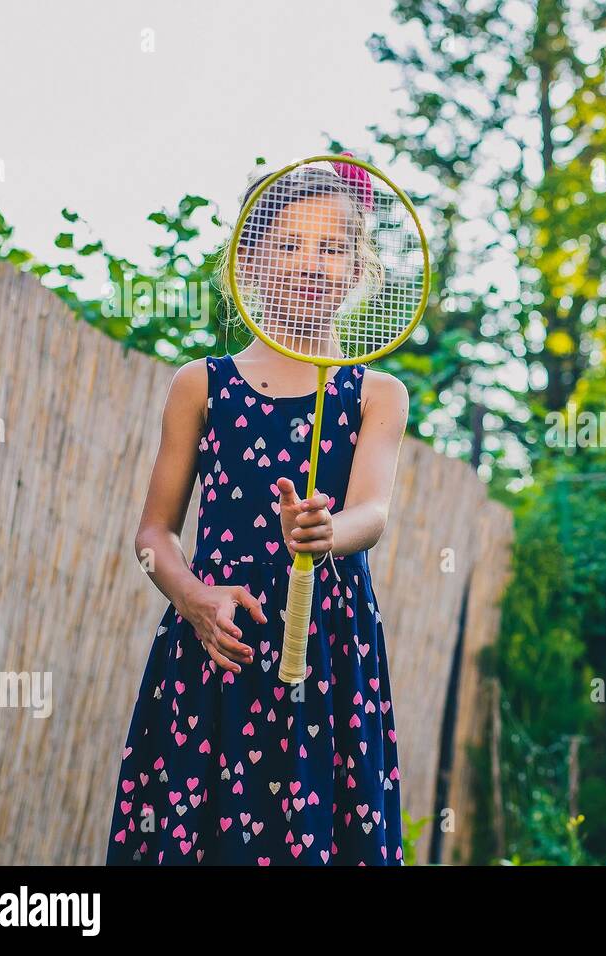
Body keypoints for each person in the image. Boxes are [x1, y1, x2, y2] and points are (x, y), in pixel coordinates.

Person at [105, 161, 410, 864]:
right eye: (290, 244)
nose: (312, 263)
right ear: (249, 259)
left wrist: (327, 532)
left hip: (330, 654)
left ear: (358, 268)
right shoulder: (200, 385)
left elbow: (373, 512)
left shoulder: (377, 393)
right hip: (221, 647)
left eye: (334, 247)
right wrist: (194, 599)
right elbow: (154, 534)